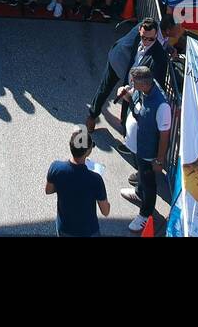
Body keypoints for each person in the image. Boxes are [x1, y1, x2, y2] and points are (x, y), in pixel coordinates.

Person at [120, 65, 172, 233]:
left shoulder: (162, 106)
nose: (131, 85)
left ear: (144, 84)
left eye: (133, 83)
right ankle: (138, 192)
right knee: (141, 174)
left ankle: (145, 214)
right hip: (139, 146)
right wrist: (128, 96)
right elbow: (137, 105)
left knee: (149, 184)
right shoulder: (144, 89)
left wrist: (159, 159)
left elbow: (164, 135)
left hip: (150, 153)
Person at [44, 128, 111, 237]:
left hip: (64, 228)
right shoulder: (95, 179)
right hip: (88, 232)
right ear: (88, 151)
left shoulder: (56, 168)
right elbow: (105, 211)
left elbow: (48, 190)